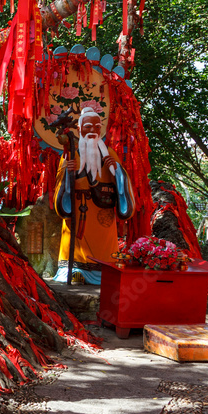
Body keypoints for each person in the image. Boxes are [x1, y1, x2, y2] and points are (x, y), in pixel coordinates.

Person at [52, 107, 135, 285]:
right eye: (88, 126)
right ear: (80, 128)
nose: (93, 130)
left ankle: (104, 270)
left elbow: (121, 182)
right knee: (76, 237)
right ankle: (73, 269)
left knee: (104, 243)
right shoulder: (71, 152)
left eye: (97, 127)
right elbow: (61, 179)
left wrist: (117, 171)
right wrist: (69, 172)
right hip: (79, 205)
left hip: (102, 207)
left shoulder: (109, 153)